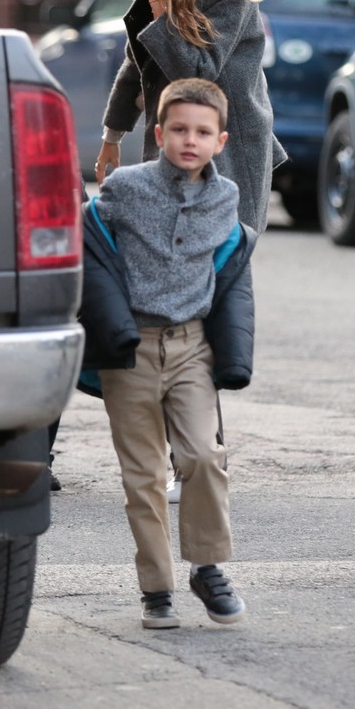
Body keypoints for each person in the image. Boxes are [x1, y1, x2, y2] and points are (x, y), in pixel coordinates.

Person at [78, 78, 257, 629]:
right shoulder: (126, 187)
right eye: (178, 129)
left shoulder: (226, 198)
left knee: (203, 456)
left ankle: (207, 567)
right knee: (144, 476)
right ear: (157, 134)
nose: (189, 140)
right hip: (129, 350)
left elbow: (231, 264)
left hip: (191, 347)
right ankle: (156, 590)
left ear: (221, 141)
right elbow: (89, 238)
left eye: (202, 132)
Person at [96, 0, 285, 236]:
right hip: (177, 144)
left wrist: (157, 2)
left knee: (220, 265)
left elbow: (196, 72)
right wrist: (112, 137)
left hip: (224, 147)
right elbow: (138, 62)